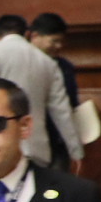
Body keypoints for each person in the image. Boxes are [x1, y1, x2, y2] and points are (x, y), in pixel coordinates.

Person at [0, 14, 81, 170]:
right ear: (27, 34)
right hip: (38, 148)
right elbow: (62, 111)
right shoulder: (48, 62)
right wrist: (76, 151)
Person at [27, 13, 82, 166]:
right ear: (35, 36)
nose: (59, 46)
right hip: (28, 141)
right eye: (54, 41)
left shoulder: (64, 67)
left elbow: (70, 104)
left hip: (58, 141)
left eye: (61, 41)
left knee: (55, 189)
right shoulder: (21, 63)